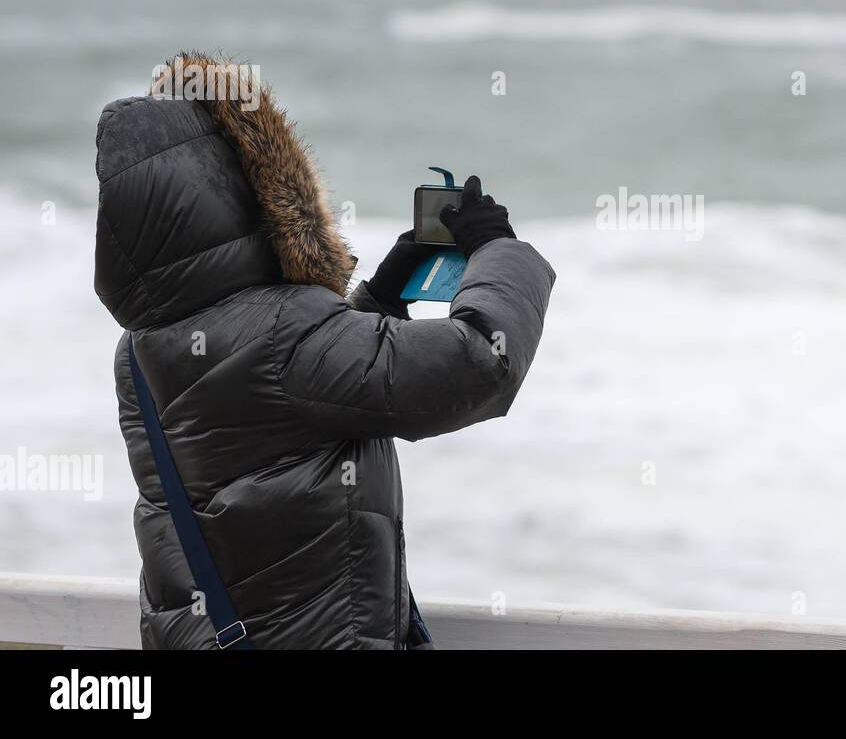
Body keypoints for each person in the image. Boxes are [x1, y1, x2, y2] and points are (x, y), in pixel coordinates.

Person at [93, 53, 555, 649]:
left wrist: (381, 296)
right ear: (243, 191)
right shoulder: (287, 336)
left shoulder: (139, 352)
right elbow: (482, 363)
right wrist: (495, 247)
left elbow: (289, 406)